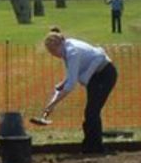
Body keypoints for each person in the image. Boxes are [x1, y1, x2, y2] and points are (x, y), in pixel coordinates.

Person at [41, 26, 118, 154]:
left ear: (58, 45)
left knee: (92, 111)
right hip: (95, 75)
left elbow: (71, 84)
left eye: (53, 52)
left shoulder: (72, 52)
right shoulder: (66, 49)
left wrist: (53, 104)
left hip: (105, 74)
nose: (53, 55)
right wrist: (62, 84)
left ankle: (96, 148)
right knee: (90, 112)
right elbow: (72, 75)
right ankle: (90, 146)